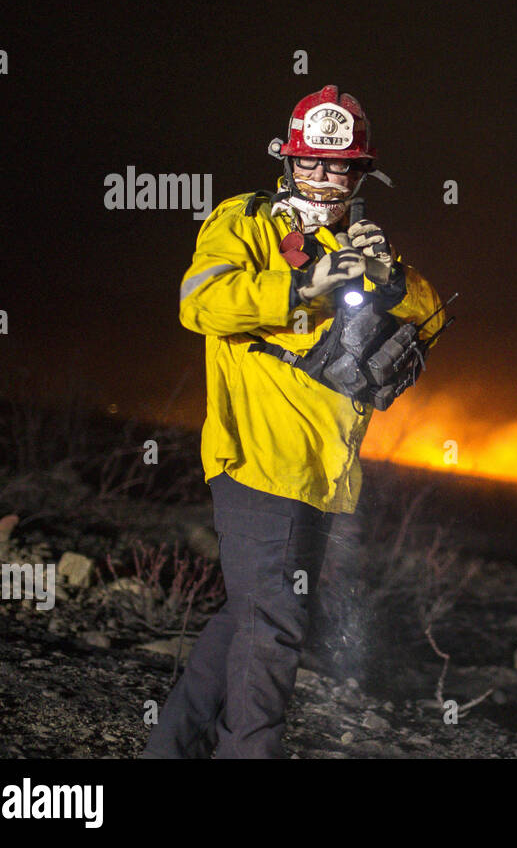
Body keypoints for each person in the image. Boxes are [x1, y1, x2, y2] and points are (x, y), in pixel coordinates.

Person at [143, 85, 444, 758]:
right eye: (312, 162)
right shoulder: (243, 221)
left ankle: (169, 749)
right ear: (287, 162)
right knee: (273, 630)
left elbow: (430, 321)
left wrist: (389, 271)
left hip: (320, 474)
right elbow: (202, 301)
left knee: (248, 620)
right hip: (258, 460)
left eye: (341, 167)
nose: (325, 178)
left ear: (361, 172)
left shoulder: (360, 243)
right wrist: (302, 283)